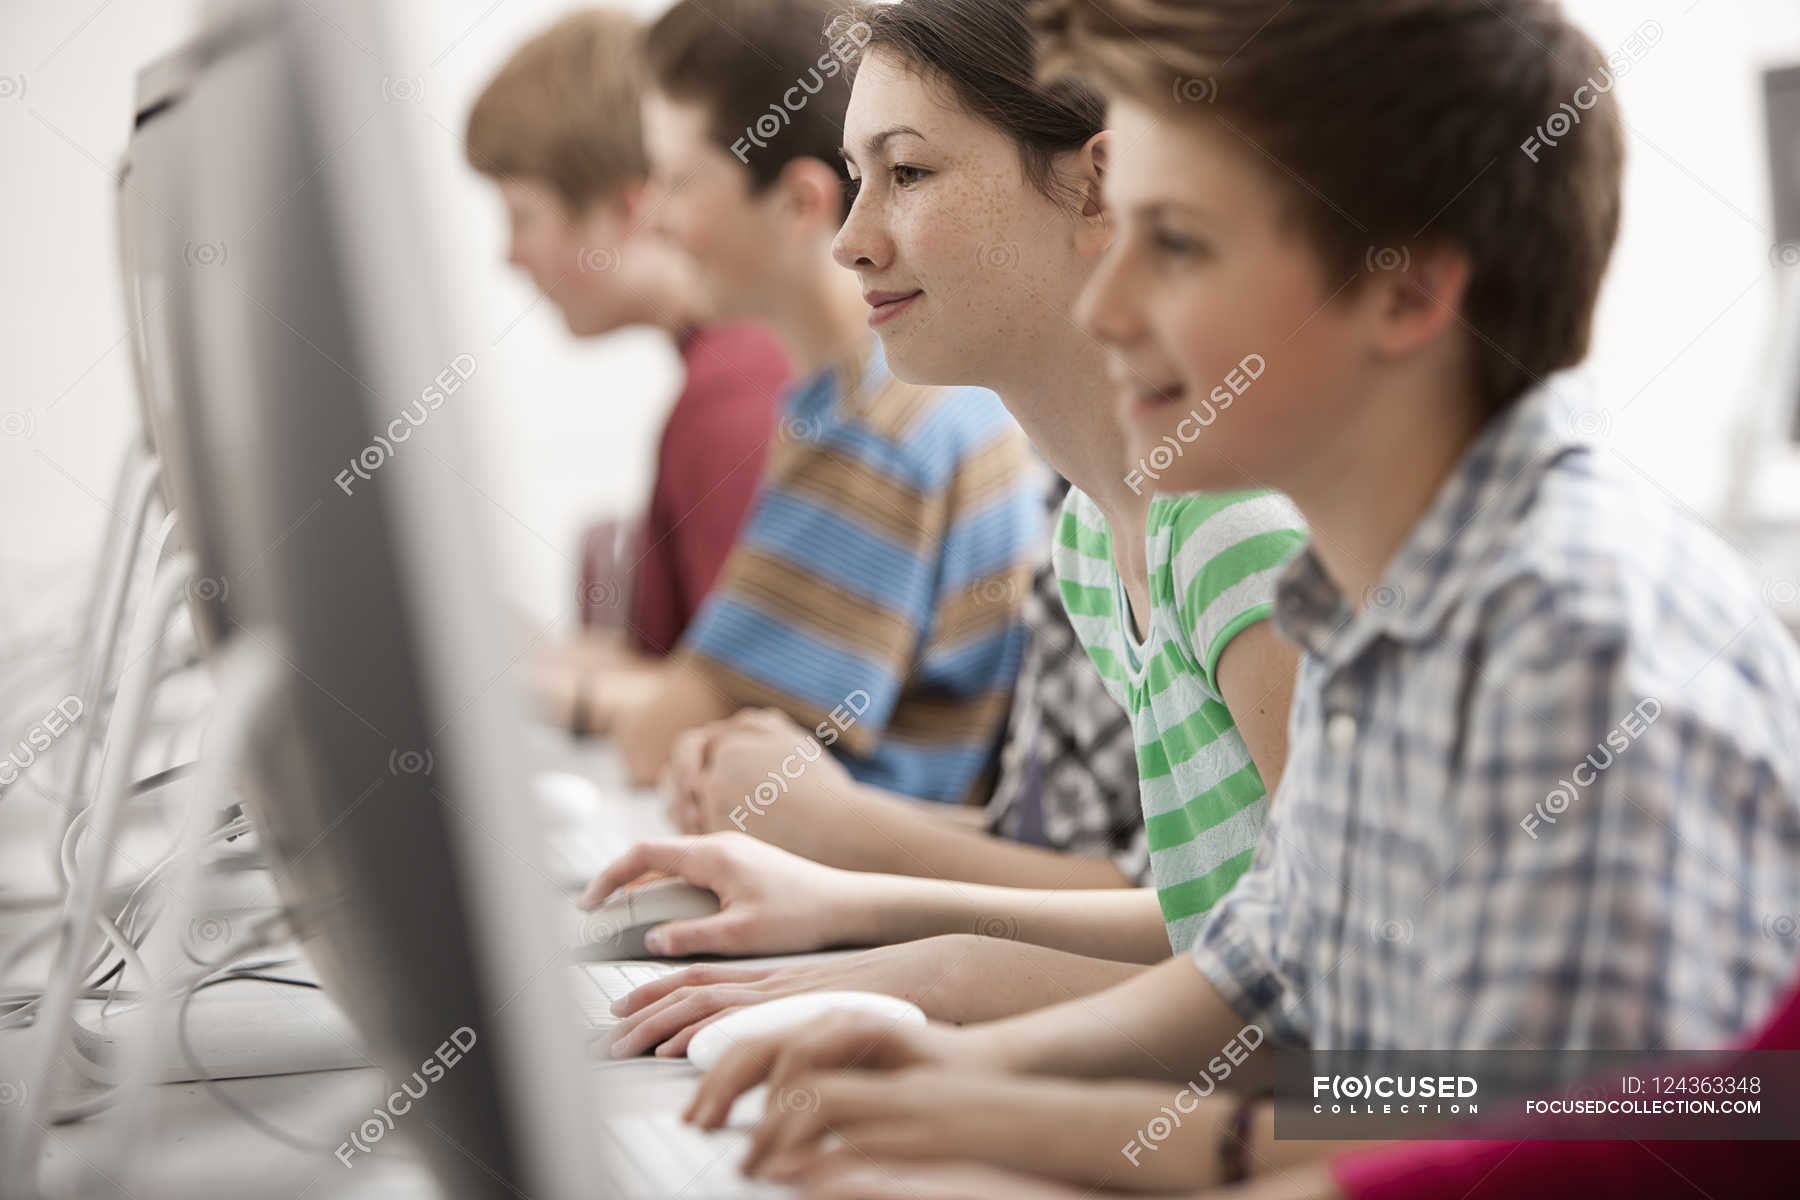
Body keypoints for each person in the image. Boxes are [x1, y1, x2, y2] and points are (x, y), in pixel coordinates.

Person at [675, 0, 1800, 1191]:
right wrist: (956, 1078)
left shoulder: (1573, 635)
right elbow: (1266, 977)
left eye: (1179, 247)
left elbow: (1490, 1142)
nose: (1107, 309)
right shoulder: (1373, 602)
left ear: (1402, 293)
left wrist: (1005, 1116)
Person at [581, 0, 1305, 1062]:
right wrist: (854, 910)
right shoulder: (1099, 548)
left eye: (908, 174)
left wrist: (954, 998)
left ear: (1097, 185)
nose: (851, 239)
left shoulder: (1236, 528)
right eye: (857, 175)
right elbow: (1219, 927)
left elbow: (1364, 1037)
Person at [572, 0, 1045, 804]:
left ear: (797, 203)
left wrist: (571, 692)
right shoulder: (846, 401)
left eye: (678, 179)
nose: (650, 216)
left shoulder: (876, 426)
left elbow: (663, 742)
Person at [462, 8, 790, 662]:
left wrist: (556, 686)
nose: (510, 255)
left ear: (626, 206)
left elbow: (748, 710)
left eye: (523, 215)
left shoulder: (731, 398)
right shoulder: (736, 365)